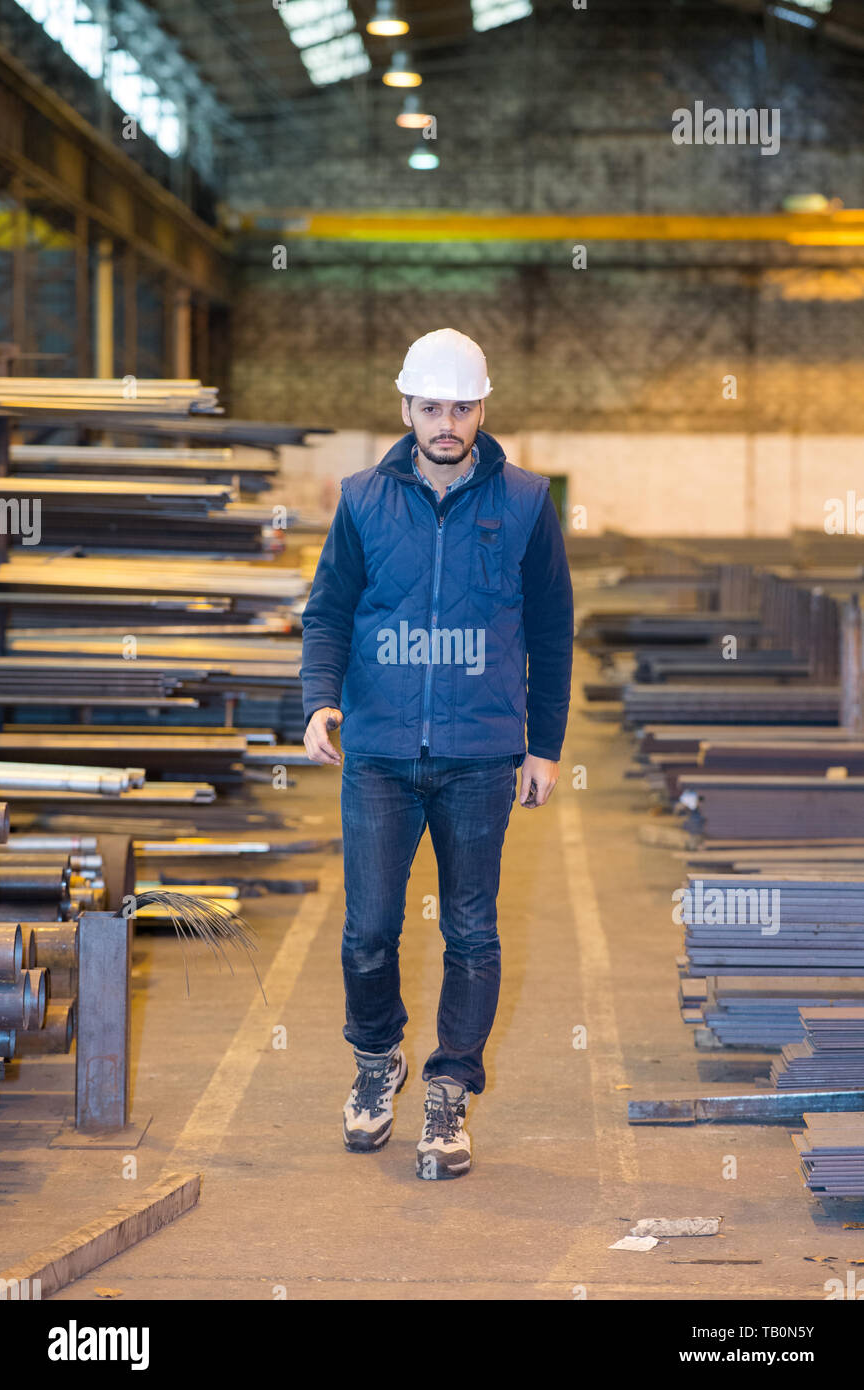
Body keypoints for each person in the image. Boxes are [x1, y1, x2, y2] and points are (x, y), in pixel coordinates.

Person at [301, 328, 573, 1179]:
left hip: (479, 755)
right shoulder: (361, 499)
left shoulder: (526, 501)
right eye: (431, 407)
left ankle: (450, 1092)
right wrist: (320, 698)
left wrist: (545, 746)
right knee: (368, 933)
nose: (446, 421)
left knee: (471, 930)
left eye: (461, 406)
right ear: (406, 407)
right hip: (379, 752)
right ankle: (377, 1061)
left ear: (483, 407)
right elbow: (329, 611)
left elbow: (552, 630)